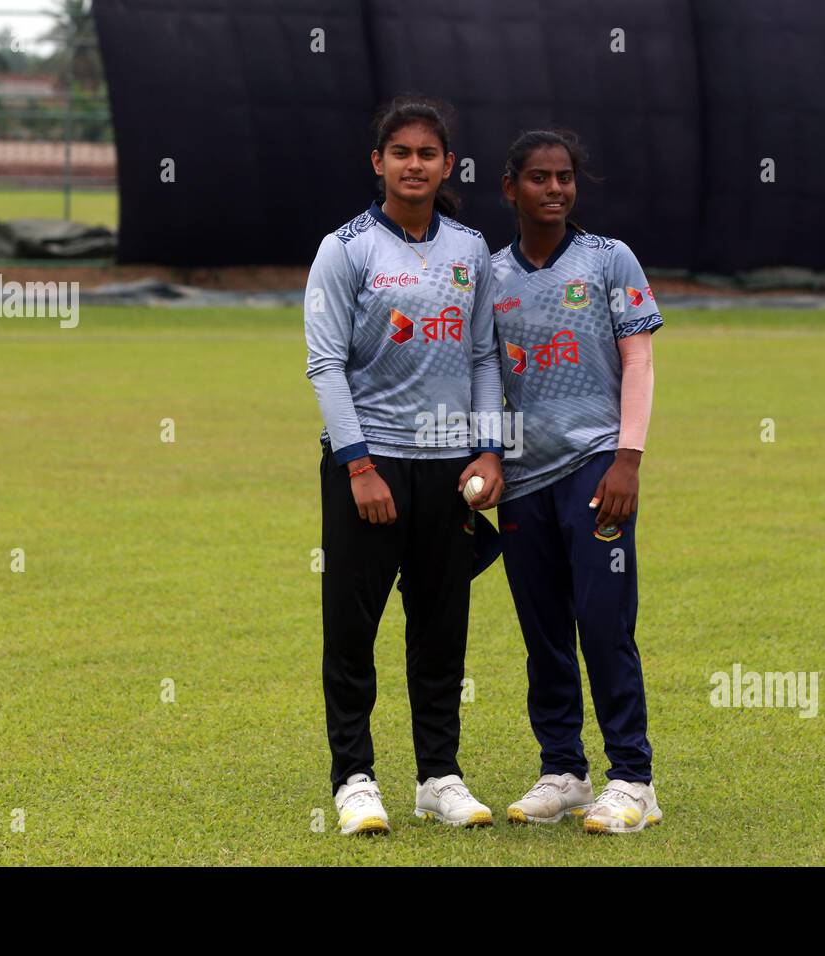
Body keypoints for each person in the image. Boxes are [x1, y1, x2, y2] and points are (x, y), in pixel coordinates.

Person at [304, 96, 504, 835]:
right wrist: (359, 467)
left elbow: (484, 353)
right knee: (353, 625)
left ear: (447, 165)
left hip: (450, 466)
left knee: (441, 624)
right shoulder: (347, 248)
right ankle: (354, 777)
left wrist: (488, 446)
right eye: (401, 153)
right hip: (371, 463)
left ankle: (439, 776)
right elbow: (325, 366)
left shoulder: (470, 247)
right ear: (378, 162)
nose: (414, 165)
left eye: (428, 154)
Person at [489, 129, 664, 834]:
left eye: (564, 177)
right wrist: (487, 457)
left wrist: (628, 457)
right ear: (511, 187)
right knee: (544, 632)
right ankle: (563, 770)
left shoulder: (608, 259)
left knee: (603, 622)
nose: (554, 189)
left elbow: (640, 361)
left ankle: (633, 779)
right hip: (523, 476)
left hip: (597, 464)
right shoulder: (490, 275)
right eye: (538, 177)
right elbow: (482, 376)